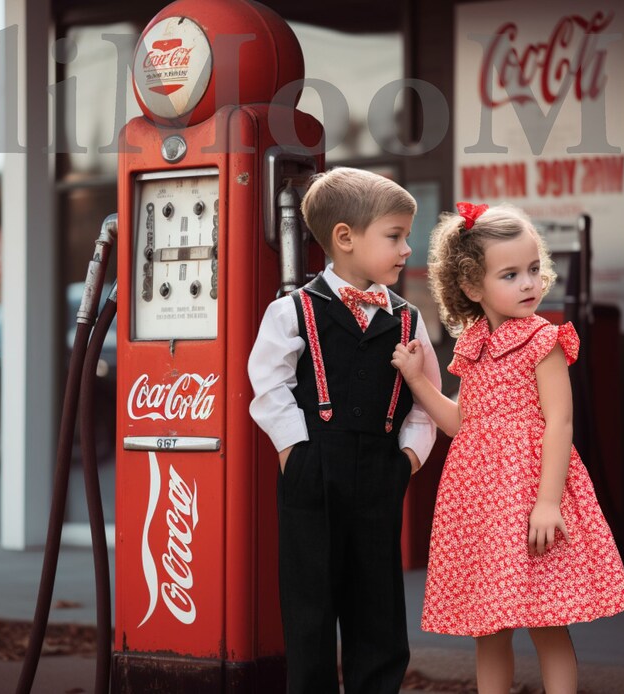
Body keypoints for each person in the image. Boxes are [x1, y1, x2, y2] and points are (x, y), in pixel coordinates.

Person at [390, 202, 624, 694]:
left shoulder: (544, 341)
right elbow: (461, 423)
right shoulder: (473, 344)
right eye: (511, 274)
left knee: (547, 620)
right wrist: (418, 380)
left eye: (533, 270)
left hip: (530, 497)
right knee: (489, 626)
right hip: (480, 503)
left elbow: (561, 423)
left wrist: (547, 503)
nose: (528, 283)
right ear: (473, 287)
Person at [248, 167, 441, 694]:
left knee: (379, 614)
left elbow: (425, 402)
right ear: (345, 238)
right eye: (395, 236)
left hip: (381, 475)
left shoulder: (409, 320)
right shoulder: (291, 311)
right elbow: (268, 385)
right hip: (313, 474)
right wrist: (296, 452)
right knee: (310, 614)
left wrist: (407, 461)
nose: (406, 249)